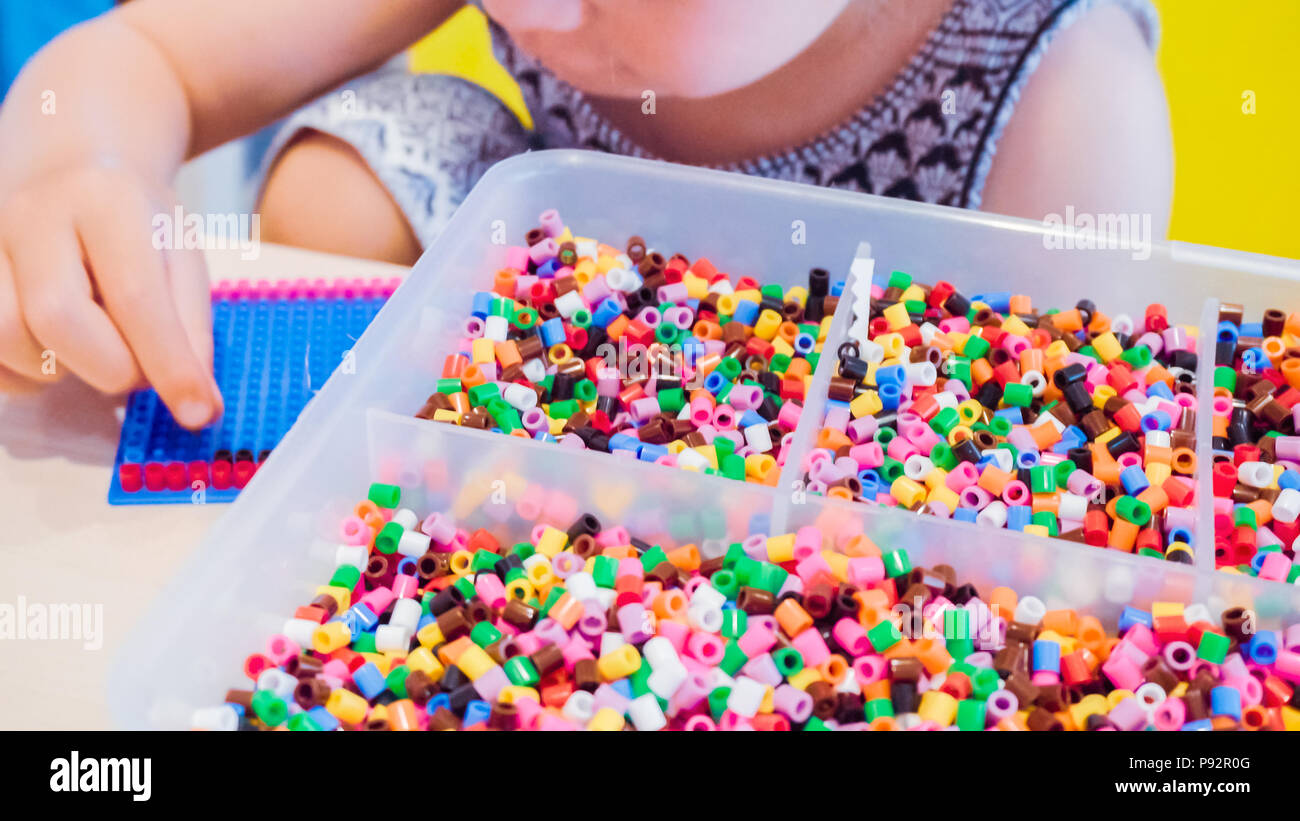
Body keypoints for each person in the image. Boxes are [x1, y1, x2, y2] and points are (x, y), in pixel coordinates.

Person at [0, 0, 1171, 429]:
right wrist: (72, 166)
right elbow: (147, 50)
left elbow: (1054, 454)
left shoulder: (1068, 100)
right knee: (332, 192)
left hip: (856, 462)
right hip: (548, 378)